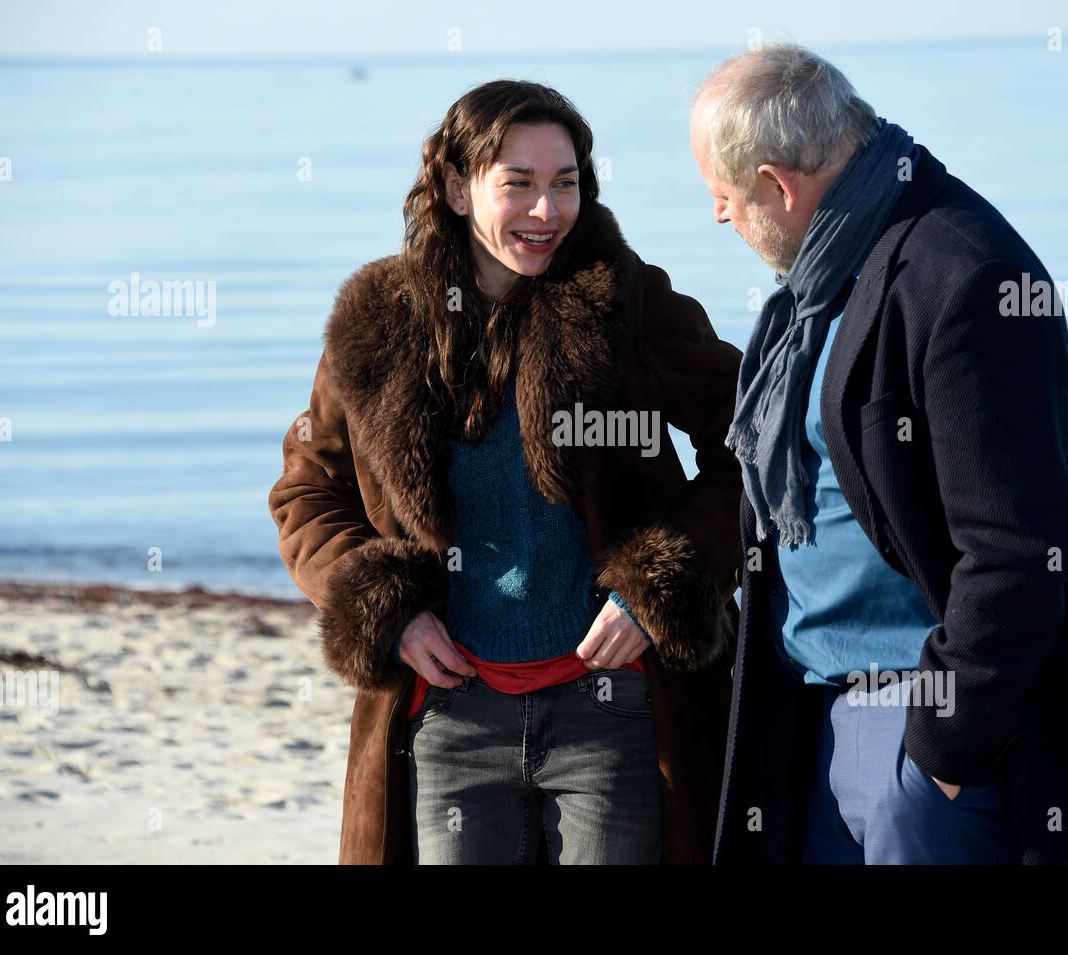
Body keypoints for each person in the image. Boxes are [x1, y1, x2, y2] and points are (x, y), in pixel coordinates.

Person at [690, 44, 1068, 864]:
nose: (720, 218)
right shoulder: (828, 273)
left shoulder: (965, 275)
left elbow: (1022, 553)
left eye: (725, 196)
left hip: (917, 734)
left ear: (778, 185)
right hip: (816, 716)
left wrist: (938, 751)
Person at [268, 79, 744, 864]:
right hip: (447, 715)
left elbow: (750, 438)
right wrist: (389, 612)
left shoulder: (628, 301)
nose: (546, 210)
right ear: (457, 187)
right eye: (517, 183)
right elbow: (306, 493)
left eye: (565, 184)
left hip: (612, 709)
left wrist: (656, 584)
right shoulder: (378, 322)